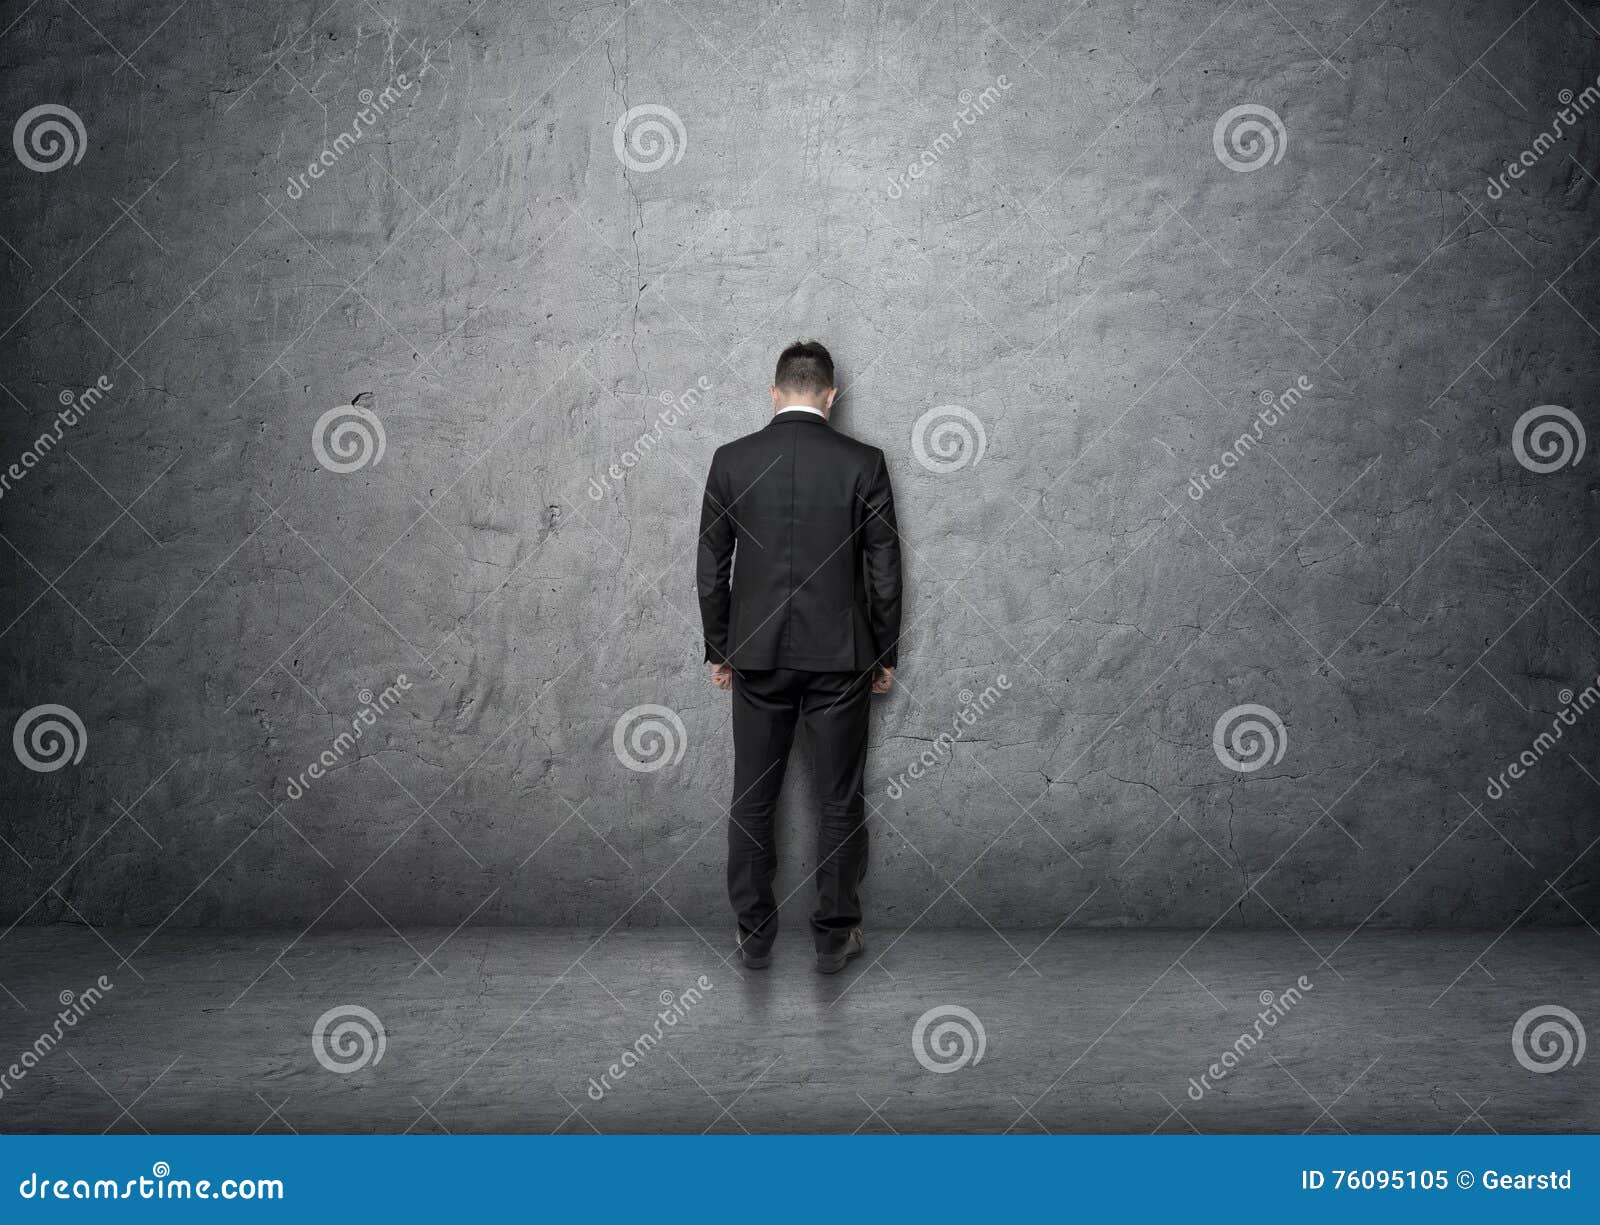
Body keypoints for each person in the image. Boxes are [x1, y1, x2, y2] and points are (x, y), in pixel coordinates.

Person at [696, 340, 903, 973]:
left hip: (756, 654)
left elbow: (711, 567)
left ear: (775, 391)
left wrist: (720, 647)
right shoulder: (863, 462)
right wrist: (883, 651)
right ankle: (833, 938)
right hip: (842, 657)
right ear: (831, 396)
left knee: (753, 796)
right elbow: (885, 568)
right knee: (838, 799)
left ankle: (754, 938)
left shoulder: (732, 460)